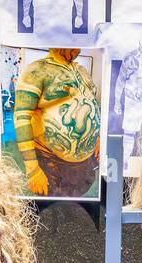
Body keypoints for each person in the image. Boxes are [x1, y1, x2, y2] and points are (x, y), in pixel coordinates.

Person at [13, 49, 100, 197]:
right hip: (51, 165)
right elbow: (21, 117)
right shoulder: (37, 70)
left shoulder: (82, 70)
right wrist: (33, 169)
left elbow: (90, 104)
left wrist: (96, 137)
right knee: (51, 212)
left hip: (85, 165)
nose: (76, 46)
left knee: (80, 210)